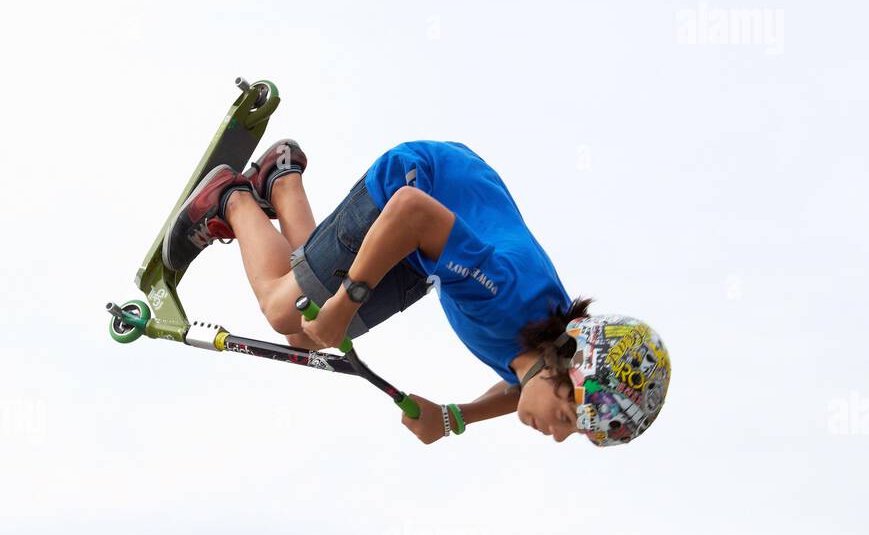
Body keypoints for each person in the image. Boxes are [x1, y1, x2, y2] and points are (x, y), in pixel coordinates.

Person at [162, 138, 671, 447]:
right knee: (284, 310)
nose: (559, 435)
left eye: (573, 430)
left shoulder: (538, 353)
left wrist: (453, 419)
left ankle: (280, 180)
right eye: (567, 417)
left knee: (310, 333)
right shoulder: (505, 296)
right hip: (420, 184)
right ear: (563, 364)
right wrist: (345, 302)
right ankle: (229, 198)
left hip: (432, 245)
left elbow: (519, 390)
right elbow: (410, 210)